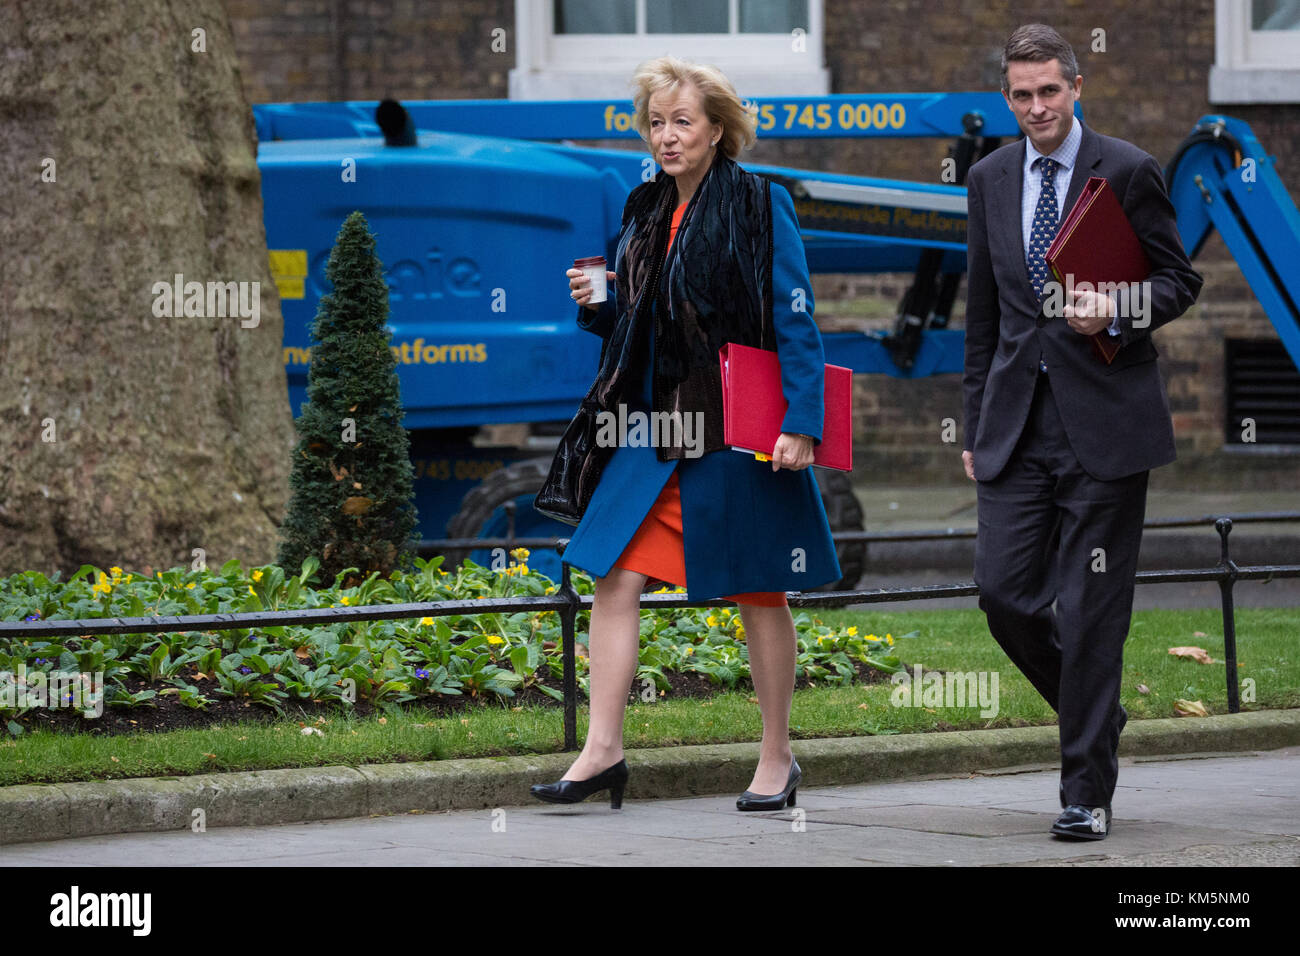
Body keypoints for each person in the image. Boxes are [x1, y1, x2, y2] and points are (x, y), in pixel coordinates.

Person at [530, 55, 841, 812]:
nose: (667, 137)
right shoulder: (643, 207)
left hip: (736, 425)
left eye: (682, 122)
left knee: (759, 587)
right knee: (613, 574)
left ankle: (777, 757)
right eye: (657, 123)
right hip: (655, 421)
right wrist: (601, 302)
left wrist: (803, 420)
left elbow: (794, 315)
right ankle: (602, 751)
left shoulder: (760, 203)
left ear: (717, 129)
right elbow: (641, 316)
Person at [962, 24, 1202, 839]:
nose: (1037, 108)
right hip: (1013, 427)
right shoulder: (990, 177)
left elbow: (1179, 279)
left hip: (1105, 424)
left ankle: (1085, 792)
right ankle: (1096, 714)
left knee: (1093, 608)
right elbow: (985, 312)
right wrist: (971, 419)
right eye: (1022, 96)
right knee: (1004, 595)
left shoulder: (1129, 169)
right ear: (1008, 98)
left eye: (1049, 92)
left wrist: (1120, 310)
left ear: (1074, 87)